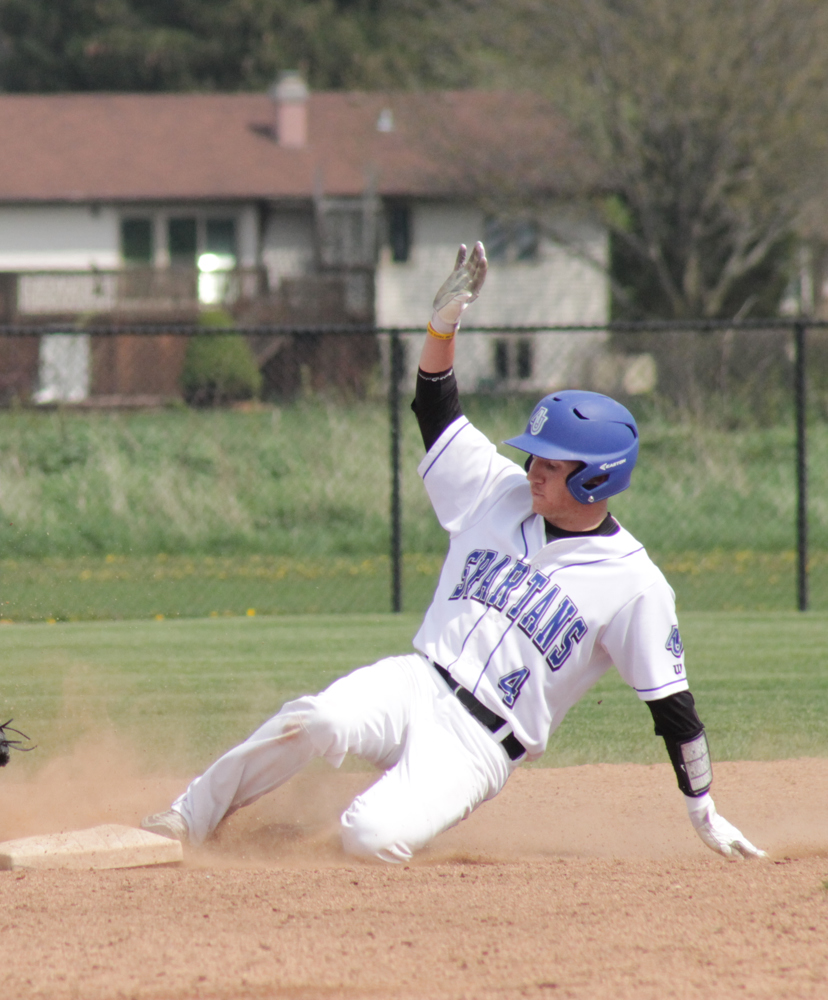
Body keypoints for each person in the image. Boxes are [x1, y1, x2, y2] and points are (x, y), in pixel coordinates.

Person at [142, 244, 764, 864]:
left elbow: (673, 709)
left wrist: (702, 809)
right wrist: (443, 327)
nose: (534, 469)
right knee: (318, 720)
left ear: (595, 479)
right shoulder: (499, 491)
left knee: (370, 839)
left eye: (552, 462)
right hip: (414, 680)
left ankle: (313, 839)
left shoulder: (635, 585)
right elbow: (435, 407)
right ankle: (189, 816)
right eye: (533, 455)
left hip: (478, 744)